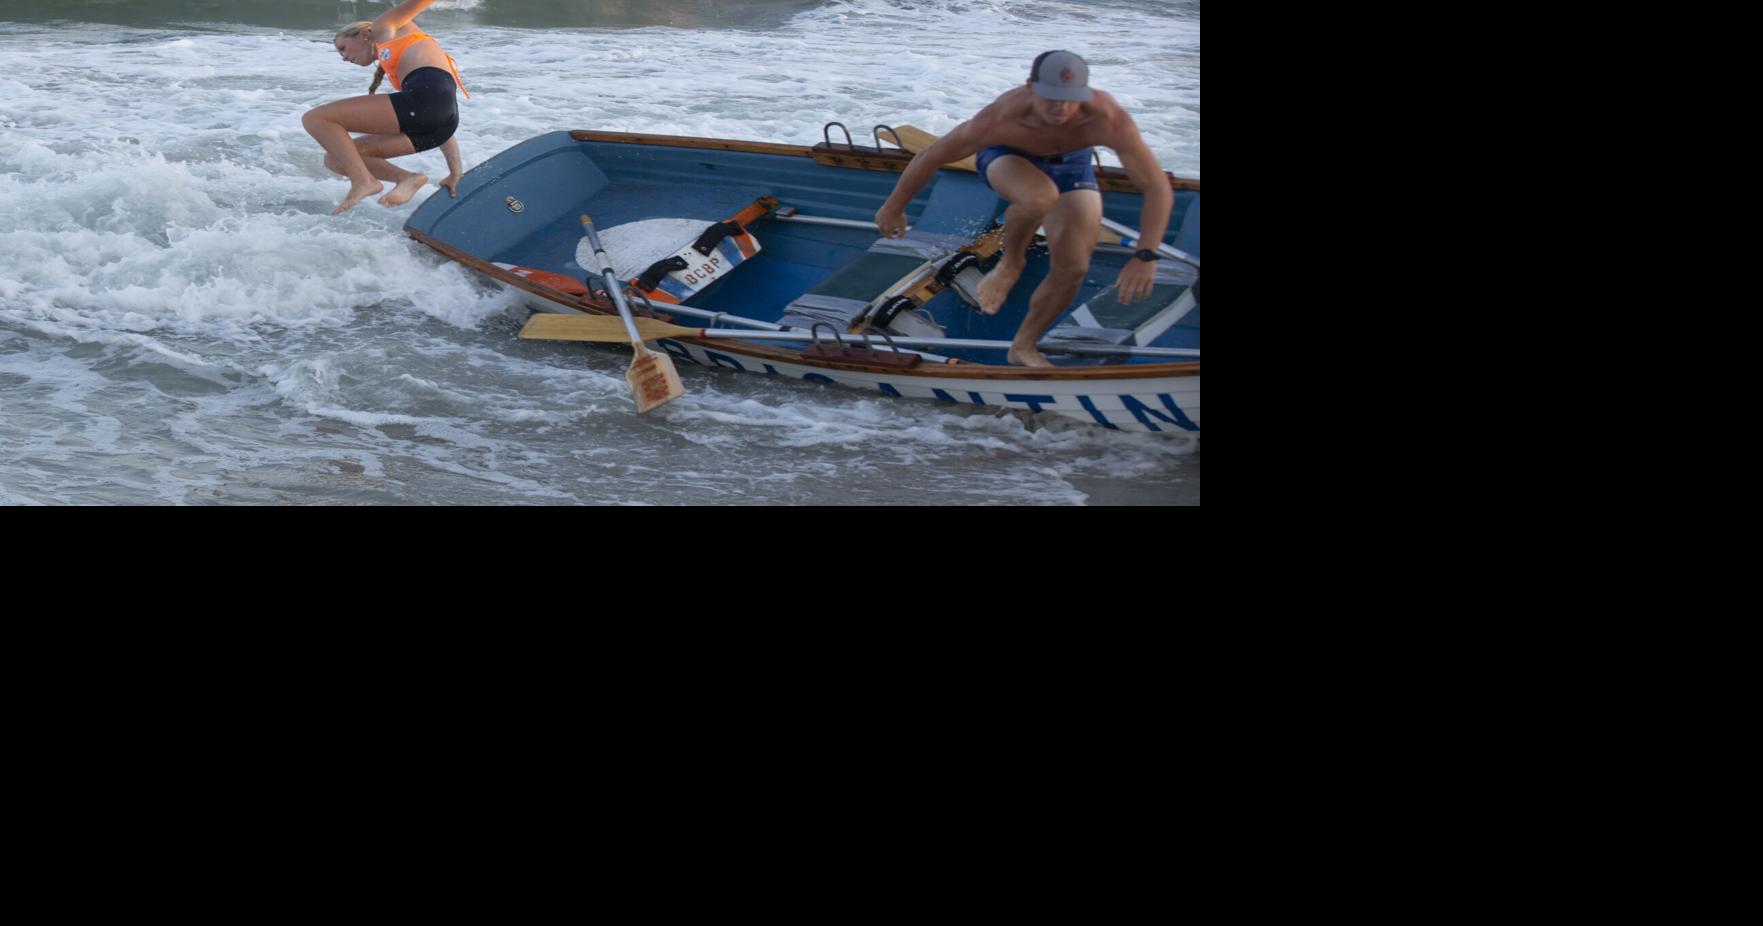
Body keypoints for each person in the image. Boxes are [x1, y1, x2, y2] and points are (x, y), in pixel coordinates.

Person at [873, 51, 1174, 366]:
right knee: (1039, 196)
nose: (1061, 107)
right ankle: (1012, 262)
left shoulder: (1108, 119)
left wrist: (1146, 255)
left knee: (1073, 269)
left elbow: (1155, 186)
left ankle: (1023, 346)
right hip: (1007, 160)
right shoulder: (1001, 118)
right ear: (1031, 87)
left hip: (1071, 167)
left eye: (1070, 99)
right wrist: (894, 207)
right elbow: (931, 156)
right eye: (1052, 97)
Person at [304, 0, 468, 215]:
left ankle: (363, 181)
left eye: (343, 49)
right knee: (335, 158)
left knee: (316, 119)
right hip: (440, 124)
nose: (344, 58)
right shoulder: (401, 68)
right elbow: (439, 118)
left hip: (429, 106)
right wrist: (456, 172)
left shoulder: (384, 27)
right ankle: (406, 178)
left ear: (363, 34)